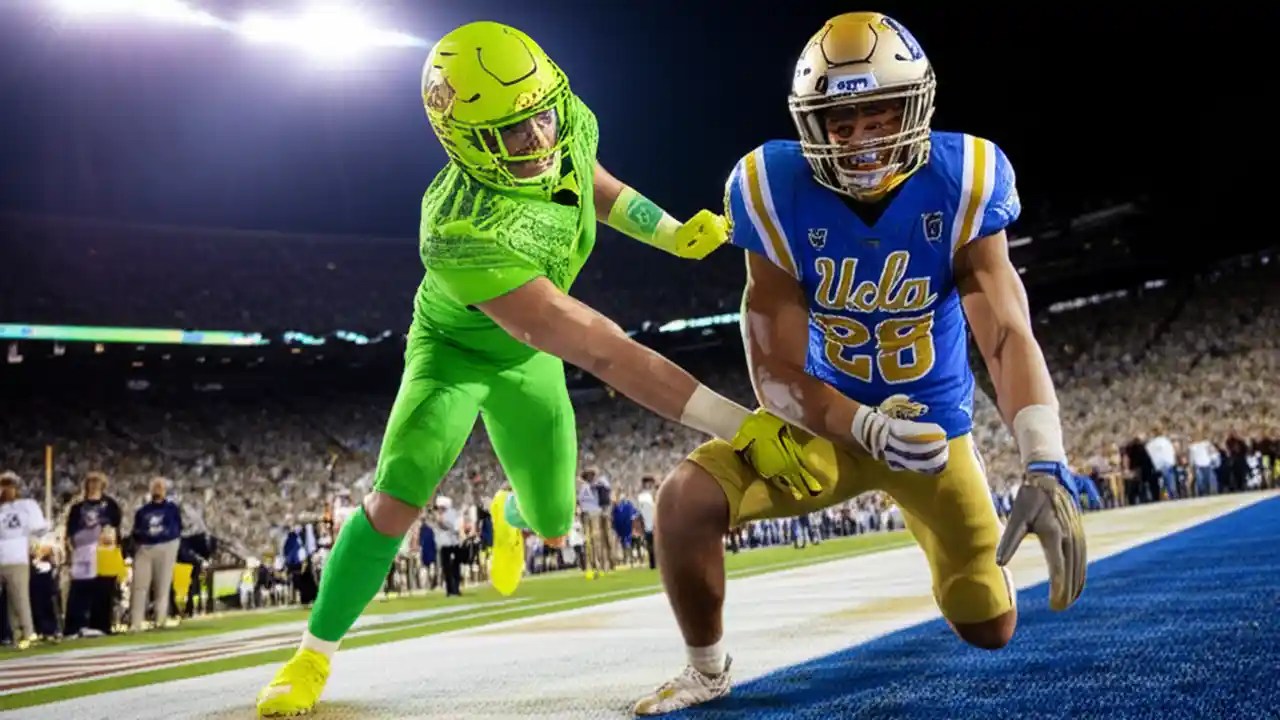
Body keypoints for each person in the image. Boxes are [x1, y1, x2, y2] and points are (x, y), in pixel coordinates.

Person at [256, 20, 816, 718]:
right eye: (514, 132)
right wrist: (738, 423)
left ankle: (510, 513)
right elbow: (602, 349)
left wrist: (669, 232)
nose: (540, 139)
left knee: (554, 520)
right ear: (462, 141)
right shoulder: (456, 228)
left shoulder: (565, 122)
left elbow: (597, 187)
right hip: (456, 357)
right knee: (399, 495)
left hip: (530, 358)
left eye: (543, 117)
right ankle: (311, 656)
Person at [634, 13, 1087, 714]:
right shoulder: (771, 185)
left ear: (917, 107)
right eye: (840, 122)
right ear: (811, 125)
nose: (861, 140)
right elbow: (774, 365)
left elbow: (1004, 334)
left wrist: (1044, 457)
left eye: (879, 115)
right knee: (685, 502)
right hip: (828, 432)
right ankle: (706, 671)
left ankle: (939, 536)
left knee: (989, 625)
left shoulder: (963, 177)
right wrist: (867, 429)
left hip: (936, 441)